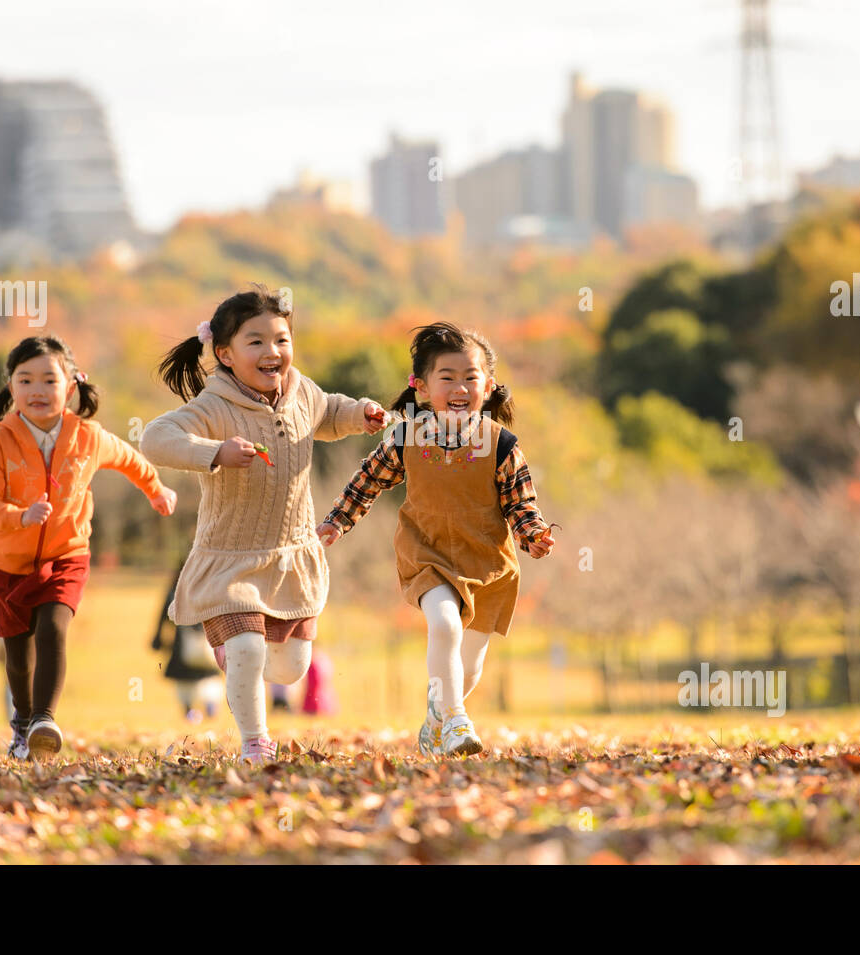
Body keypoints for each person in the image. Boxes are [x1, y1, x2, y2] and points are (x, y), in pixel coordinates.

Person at [140, 284, 385, 766]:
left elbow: (329, 412)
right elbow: (155, 437)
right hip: (231, 560)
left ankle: (241, 664)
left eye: (281, 340)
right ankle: (255, 742)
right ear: (226, 354)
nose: (273, 352)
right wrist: (215, 453)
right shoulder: (216, 406)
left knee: (293, 669)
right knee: (249, 647)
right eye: (256, 342)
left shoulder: (301, 392)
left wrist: (360, 414)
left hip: (292, 557)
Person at [318, 322, 555, 757]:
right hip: (426, 556)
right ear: (422, 387)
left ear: (489, 385)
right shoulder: (406, 438)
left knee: (469, 666)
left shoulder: (501, 445)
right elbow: (366, 483)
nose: (460, 386)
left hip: (488, 567)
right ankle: (456, 722)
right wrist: (337, 521)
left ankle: (437, 720)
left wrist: (533, 535)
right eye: (447, 377)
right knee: (444, 624)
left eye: (470, 377)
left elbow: (521, 504)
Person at [0, 336, 177, 759]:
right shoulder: (0, 441)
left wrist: (156, 490)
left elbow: (129, 459)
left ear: (70, 385)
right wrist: (20, 516)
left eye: (49, 379)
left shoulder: (88, 436)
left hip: (67, 554)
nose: (37, 390)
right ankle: (24, 725)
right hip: (8, 564)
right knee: (17, 656)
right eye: (25, 380)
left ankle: (45, 719)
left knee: (54, 626)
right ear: (11, 388)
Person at [152, 560, 226, 723]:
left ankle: (190, 713)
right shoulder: (210, 589)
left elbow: (162, 617)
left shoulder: (174, 591)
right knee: (209, 676)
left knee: (185, 681)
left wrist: (157, 639)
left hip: (181, 646)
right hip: (208, 642)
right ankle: (210, 708)